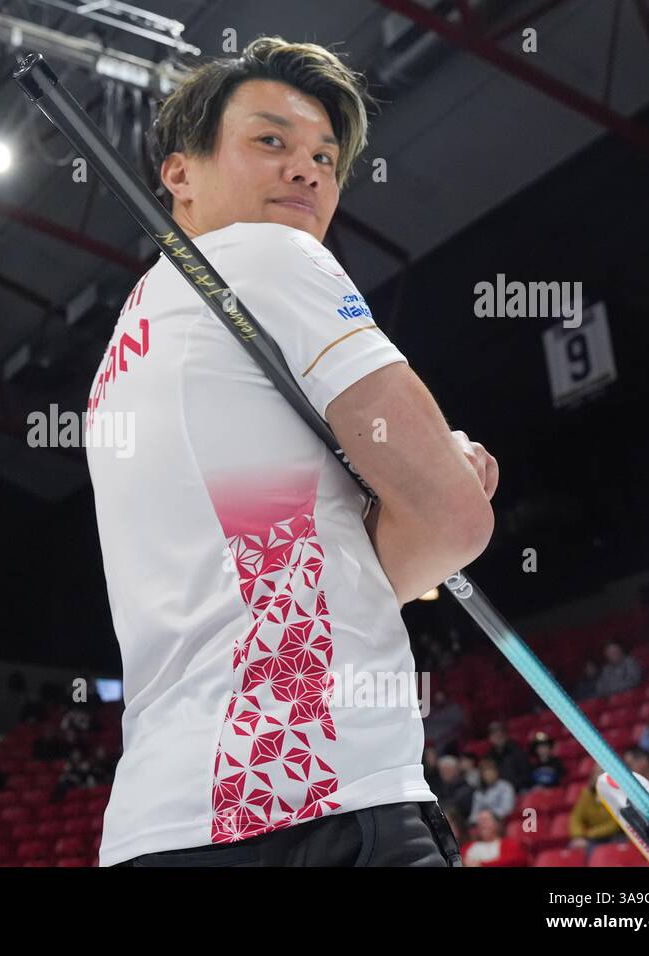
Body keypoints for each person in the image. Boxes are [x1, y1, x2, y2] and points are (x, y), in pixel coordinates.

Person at [89, 36, 493, 869]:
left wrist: (370, 519)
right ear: (179, 174)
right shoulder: (270, 254)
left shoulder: (117, 355)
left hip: (155, 827)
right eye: (270, 141)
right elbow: (452, 521)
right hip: (315, 788)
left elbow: (266, 544)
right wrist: (423, 494)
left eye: (324, 156)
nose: (307, 170)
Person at [567, 766, 624, 861]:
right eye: (597, 773)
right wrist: (578, 835)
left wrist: (588, 835)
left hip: (613, 836)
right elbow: (576, 817)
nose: (598, 776)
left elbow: (615, 824)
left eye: (602, 773)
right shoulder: (587, 794)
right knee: (574, 848)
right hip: (591, 837)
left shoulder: (618, 795)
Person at [460, 809, 528, 867]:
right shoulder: (467, 847)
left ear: (497, 824)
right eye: (479, 821)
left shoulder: (510, 844)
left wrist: (482, 864)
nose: (482, 823)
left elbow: (519, 860)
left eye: (485, 820)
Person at [486, 721, 532, 791]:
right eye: (494, 735)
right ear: (490, 738)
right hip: (499, 790)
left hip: (518, 788)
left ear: (505, 735)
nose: (498, 737)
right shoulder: (489, 756)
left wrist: (509, 787)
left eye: (500, 735)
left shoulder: (517, 751)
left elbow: (526, 775)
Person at [469, 757, 516, 824]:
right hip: (482, 823)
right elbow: (474, 814)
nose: (488, 775)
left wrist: (489, 815)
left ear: (496, 772)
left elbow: (507, 809)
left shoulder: (506, 787)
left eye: (490, 772)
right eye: (485, 773)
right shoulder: (478, 792)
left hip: (501, 822)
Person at [434, 755, 474, 821]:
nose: (444, 773)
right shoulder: (439, 786)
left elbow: (454, 805)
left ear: (456, 770)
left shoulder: (464, 787)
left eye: (447, 770)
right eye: (442, 770)